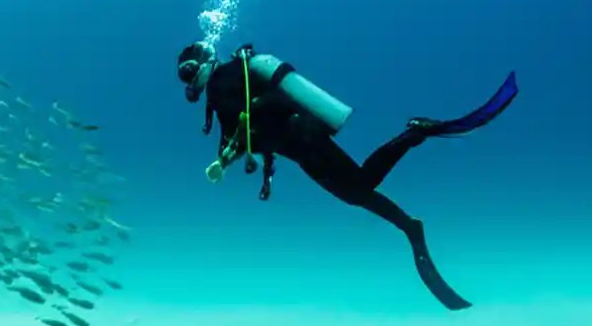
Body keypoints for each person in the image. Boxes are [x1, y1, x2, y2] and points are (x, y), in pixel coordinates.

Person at [176, 41, 518, 311]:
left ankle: (415, 136)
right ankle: (408, 224)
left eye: (188, 71)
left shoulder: (227, 79)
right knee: (357, 191)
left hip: (302, 140)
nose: (189, 80)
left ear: (203, 63)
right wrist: (224, 160)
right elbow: (238, 136)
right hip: (301, 146)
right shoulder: (229, 85)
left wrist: (227, 158)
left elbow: (241, 130)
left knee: (360, 186)